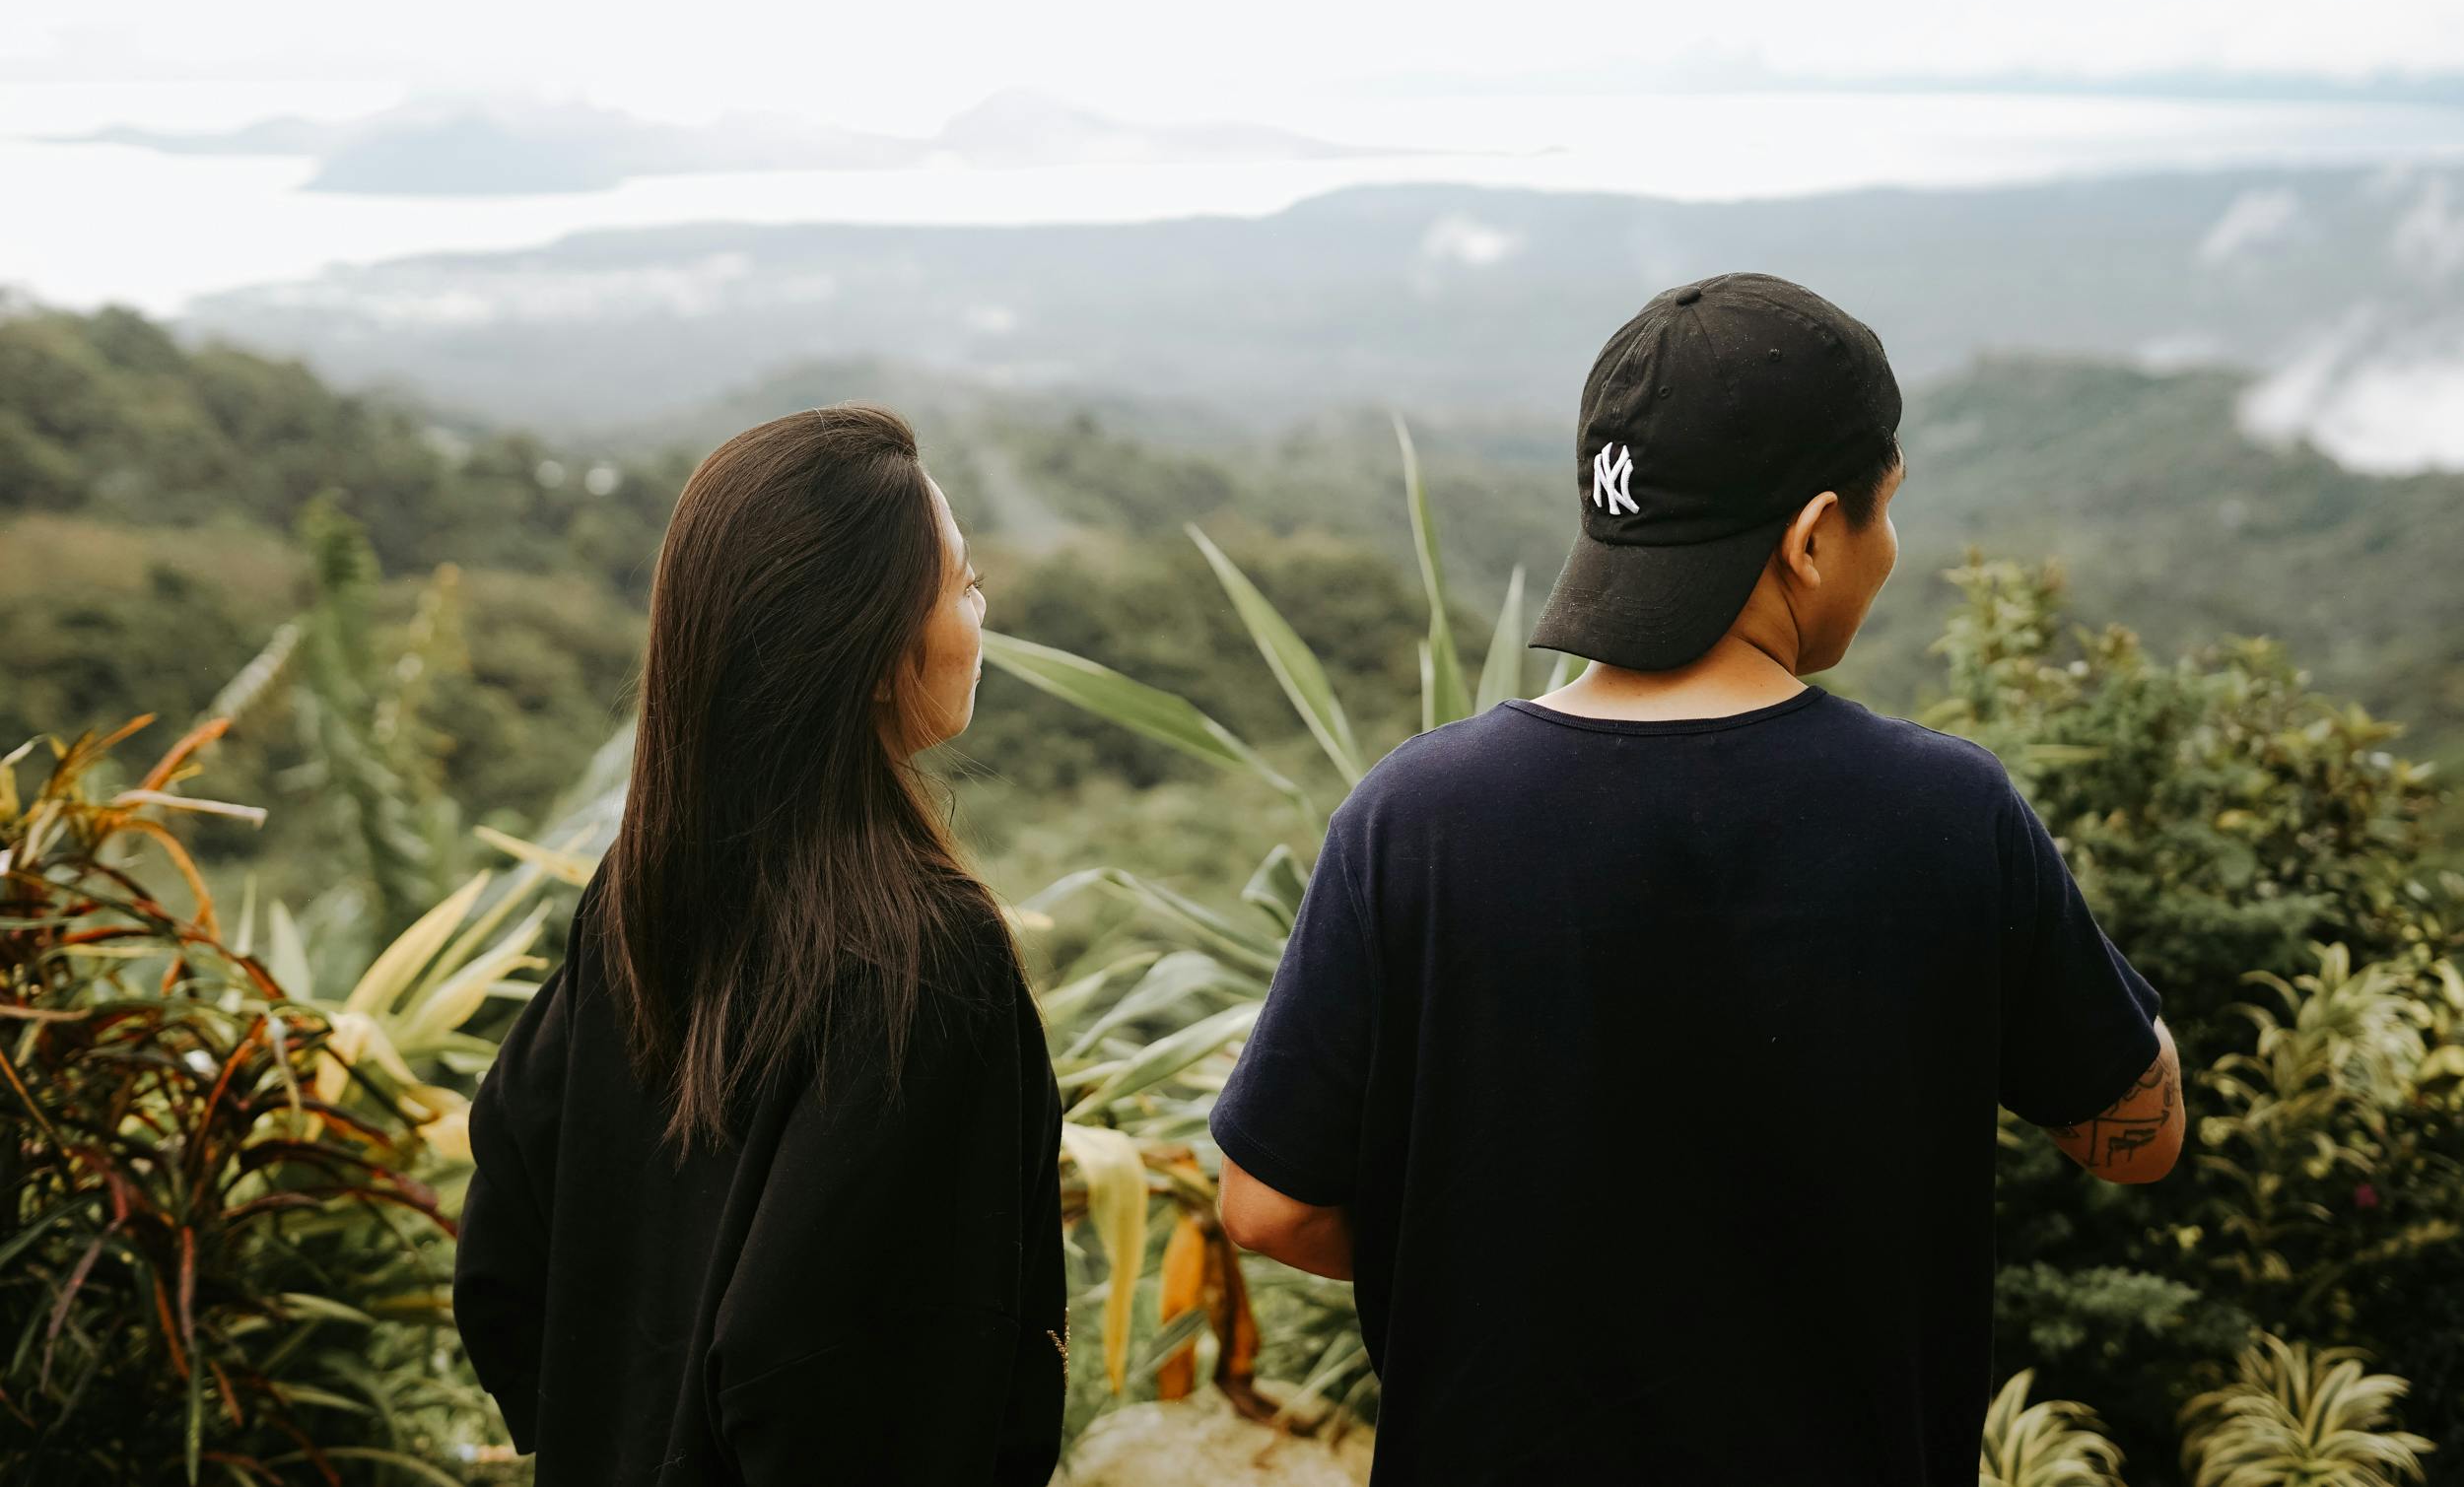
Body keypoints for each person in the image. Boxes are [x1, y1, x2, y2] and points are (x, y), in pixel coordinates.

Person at [1207, 274, 2181, 1485]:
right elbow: (2136, 1134)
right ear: (1812, 533)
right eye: (1885, 509)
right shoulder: (1943, 812)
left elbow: (1266, 1206)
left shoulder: (1412, 818)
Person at [452, 405, 1066, 1486]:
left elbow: (506, 1206)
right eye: (962, 581)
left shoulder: (638, 893)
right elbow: (847, 1372)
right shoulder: (924, 953)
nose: (981, 608)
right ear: (873, 650)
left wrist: (603, 1421)